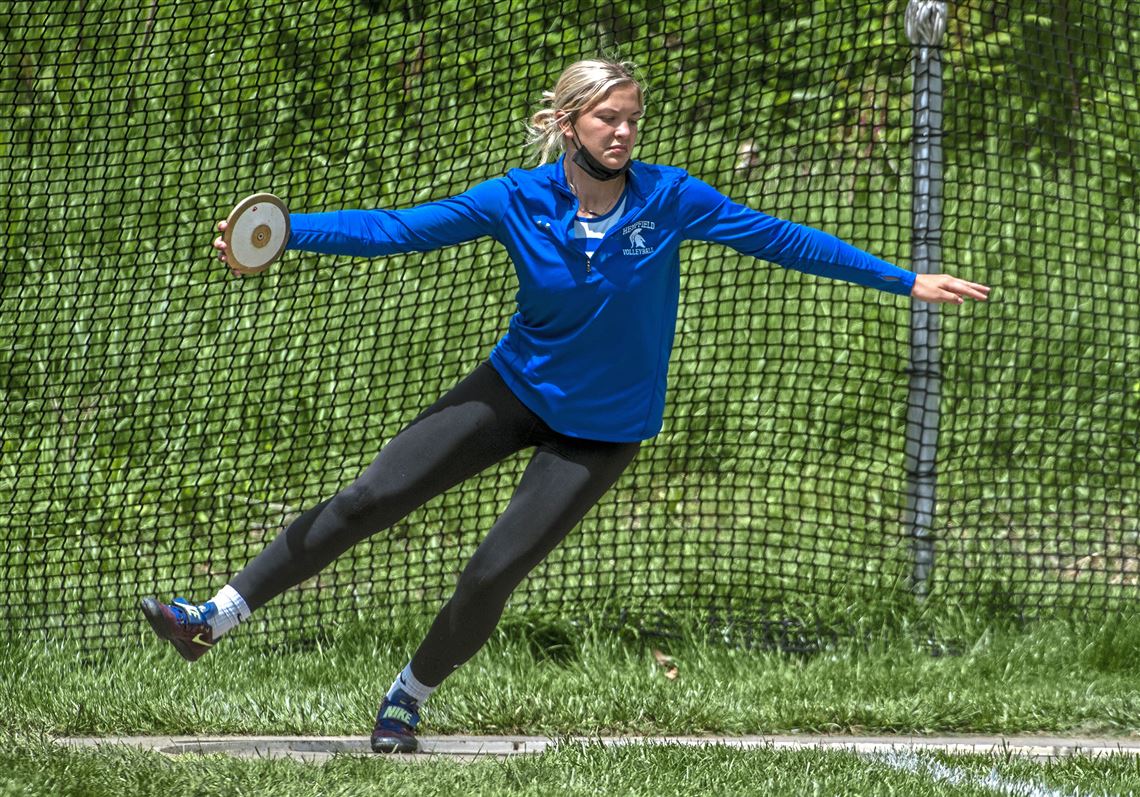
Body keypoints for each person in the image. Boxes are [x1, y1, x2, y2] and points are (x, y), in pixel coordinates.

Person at [142, 58, 990, 754]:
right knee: (370, 496)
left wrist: (905, 278)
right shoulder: (516, 199)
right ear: (567, 121)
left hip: (602, 429)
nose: (622, 132)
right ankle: (212, 616)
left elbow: (782, 238)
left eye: (630, 118)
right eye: (606, 118)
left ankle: (407, 697)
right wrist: (290, 231)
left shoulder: (670, 198)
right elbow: (399, 229)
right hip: (513, 389)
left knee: (490, 571)